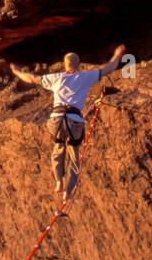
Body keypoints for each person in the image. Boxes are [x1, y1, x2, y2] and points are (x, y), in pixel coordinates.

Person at [10, 45, 127, 206]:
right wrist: (118, 54)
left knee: (57, 151)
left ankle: (59, 180)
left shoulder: (55, 78)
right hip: (74, 122)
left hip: (56, 120)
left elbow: (31, 78)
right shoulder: (85, 77)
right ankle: (68, 192)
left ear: (65, 65)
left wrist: (16, 71)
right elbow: (109, 68)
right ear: (78, 64)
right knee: (74, 158)